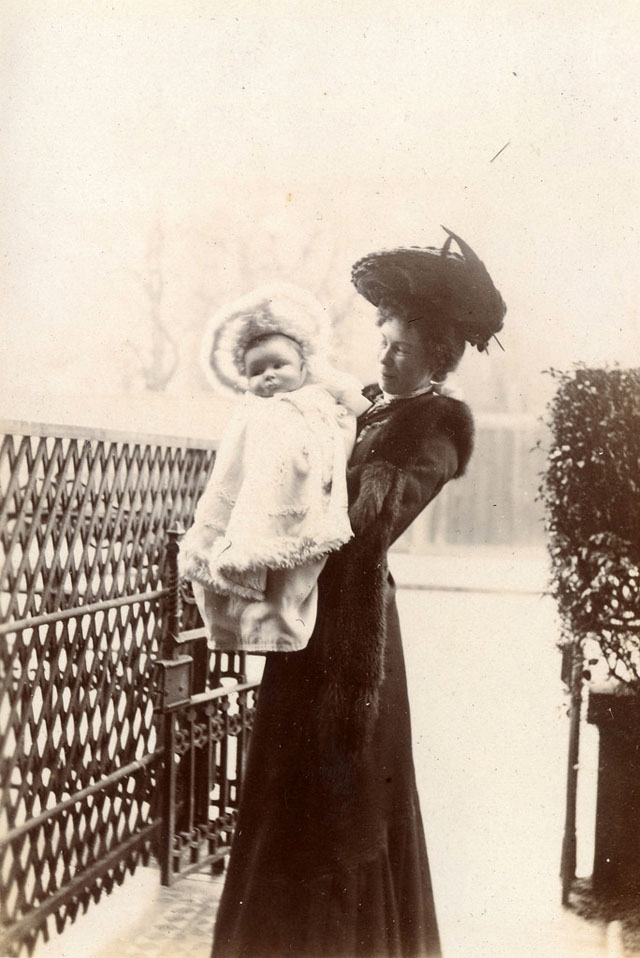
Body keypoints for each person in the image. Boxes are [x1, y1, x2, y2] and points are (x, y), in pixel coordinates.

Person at [211, 227, 506, 957]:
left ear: (433, 356)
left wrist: (309, 482)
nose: (383, 353)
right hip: (310, 623)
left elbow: (375, 519)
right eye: (382, 338)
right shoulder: (361, 405)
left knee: (347, 800)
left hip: (354, 645)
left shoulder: (438, 425)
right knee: (288, 784)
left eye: (399, 347)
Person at [180, 283, 370, 653]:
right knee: (235, 561)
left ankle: (280, 629)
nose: (268, 376)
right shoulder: (253, 410)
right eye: (256, 370)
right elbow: (237, 460)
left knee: (293, 568)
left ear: (303, 366)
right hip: (258, 495)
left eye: (278, 365)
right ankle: (233, 630)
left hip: (302, 489)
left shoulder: (316, 395)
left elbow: (351, 409)